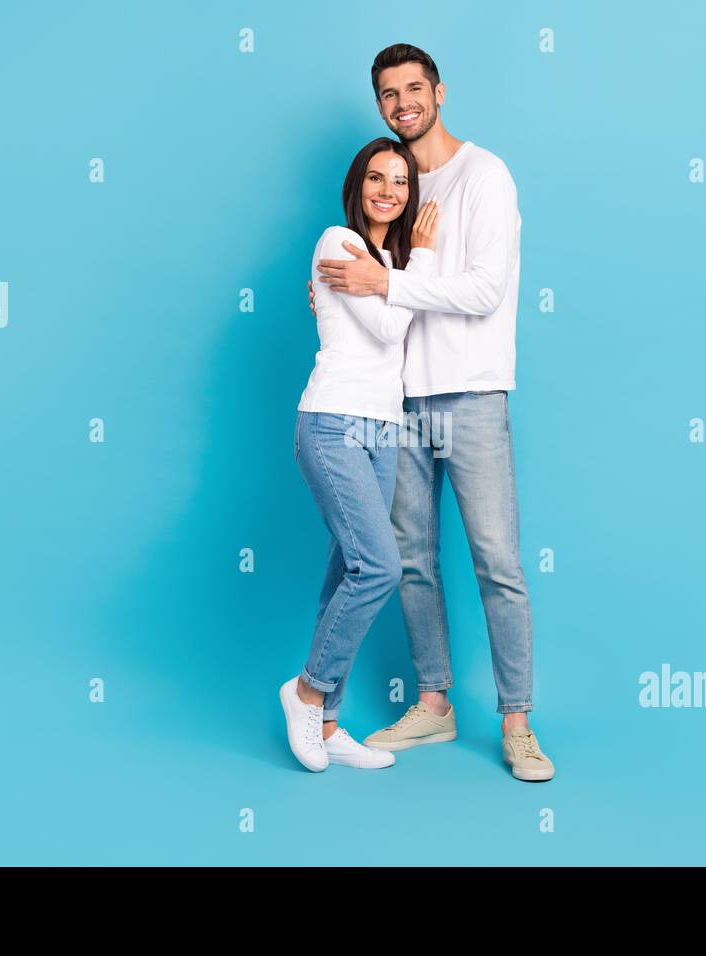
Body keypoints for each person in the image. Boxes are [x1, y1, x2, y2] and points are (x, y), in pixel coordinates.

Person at [314, 44, 555, 782]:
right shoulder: (397, 185)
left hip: (473, 390)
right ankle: (434, 703)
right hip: (396, 405)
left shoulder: (485, 174)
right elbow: (374, 294)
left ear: (439, 93)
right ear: (380, 106)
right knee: (410, 558)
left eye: (413, 90)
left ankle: (516, 722)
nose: (401, 104)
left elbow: (483, 290)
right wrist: (369, 286)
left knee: (497, 560)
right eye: (388, 95)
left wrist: (387, 285)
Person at [280, 137, 441, 772]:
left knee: (345, 570)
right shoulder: (335, 242)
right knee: (378, 567)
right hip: (332, 422)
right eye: (377, 178)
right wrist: (417, 266)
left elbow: (391, 322)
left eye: (401, 182)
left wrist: (393, 279)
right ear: (359, 185)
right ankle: (305, 692)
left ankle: (327, 723)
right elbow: (388, 328)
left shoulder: (382, 263)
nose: (389, 191)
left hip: (383, 429)